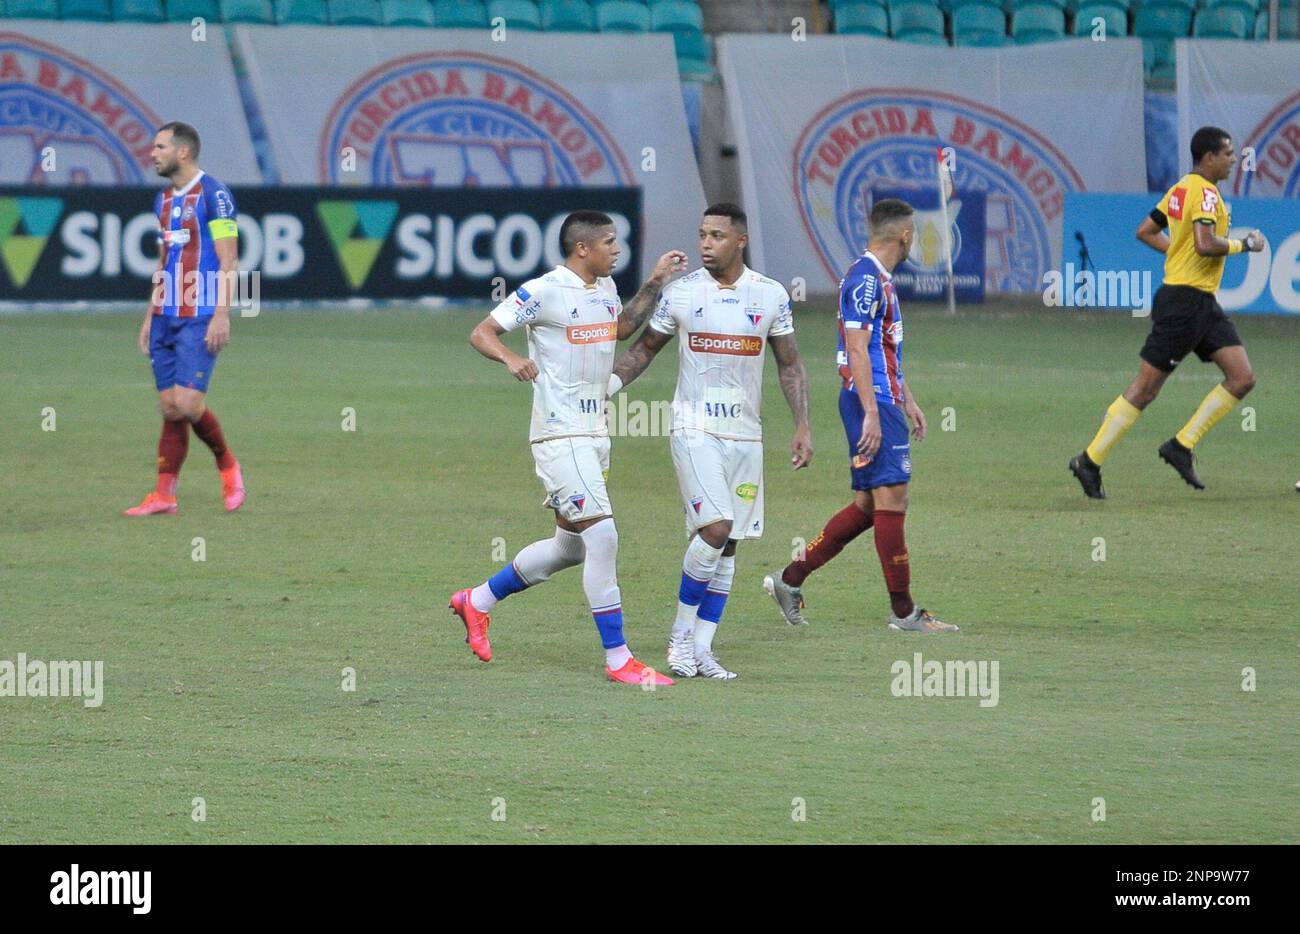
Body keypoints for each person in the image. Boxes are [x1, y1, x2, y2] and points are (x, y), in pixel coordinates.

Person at [449, 211, 688, 685]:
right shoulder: (543, 290)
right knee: (603, 537)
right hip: (559, 436)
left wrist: (656, 282)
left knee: (569, 548)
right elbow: (482, 332)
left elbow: (620, 329)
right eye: (609, 242)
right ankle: (619, 659)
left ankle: (476, 601)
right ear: (582, 249)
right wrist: (512, 357)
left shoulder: (604, 290)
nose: (616, 249)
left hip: (595, 434)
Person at [610, 203, 813, 679]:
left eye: (717, 235)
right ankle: (679, 637)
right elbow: (642, 348)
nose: (705, 243)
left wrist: (802, 424)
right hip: (693, 428)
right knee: (716, 529)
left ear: (740, 241)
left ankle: (702, 648)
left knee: (732, 543)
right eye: (702, 233)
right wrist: (607, 390)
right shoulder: (682, 293)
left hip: (746, 434)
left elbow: (789, 363)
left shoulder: (770, 295)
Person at [764, 198, 956, 633]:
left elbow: (878, 350)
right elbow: (855, 349)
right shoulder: (867, 279)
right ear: (905, 235)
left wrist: (907, 399)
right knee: (894, 501)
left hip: (882, 400)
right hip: (870, 403)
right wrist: (873, 412)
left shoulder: (875, 277)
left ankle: (789, 579)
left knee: (870, 506)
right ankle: (905, 612)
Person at [1070, 126, 1265, 498]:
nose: (1233, 159)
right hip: (1183, 305)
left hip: (1202, 303)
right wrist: (1246, 244)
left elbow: (1144, 230)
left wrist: (1179, 253)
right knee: (1144, 390)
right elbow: (1205, 244)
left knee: (1242, 377)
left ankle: (1182, 445)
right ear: (1208, 157)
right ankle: (1089, 461)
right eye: (1227, 153)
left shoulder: (1181, 188)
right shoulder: (1205, 194)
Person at [125, 122, 244, 517]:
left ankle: (226, 463)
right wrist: (148, 316)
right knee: (170, 408)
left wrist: (222, 314)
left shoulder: (215, 194)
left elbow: (229, 259)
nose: (152, 153)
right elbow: (164, 261)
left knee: (190, 404)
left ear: (183, 152)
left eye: (160, 147)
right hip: (165, 314)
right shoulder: (162, 200)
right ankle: (163, 496)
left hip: (200, 312)